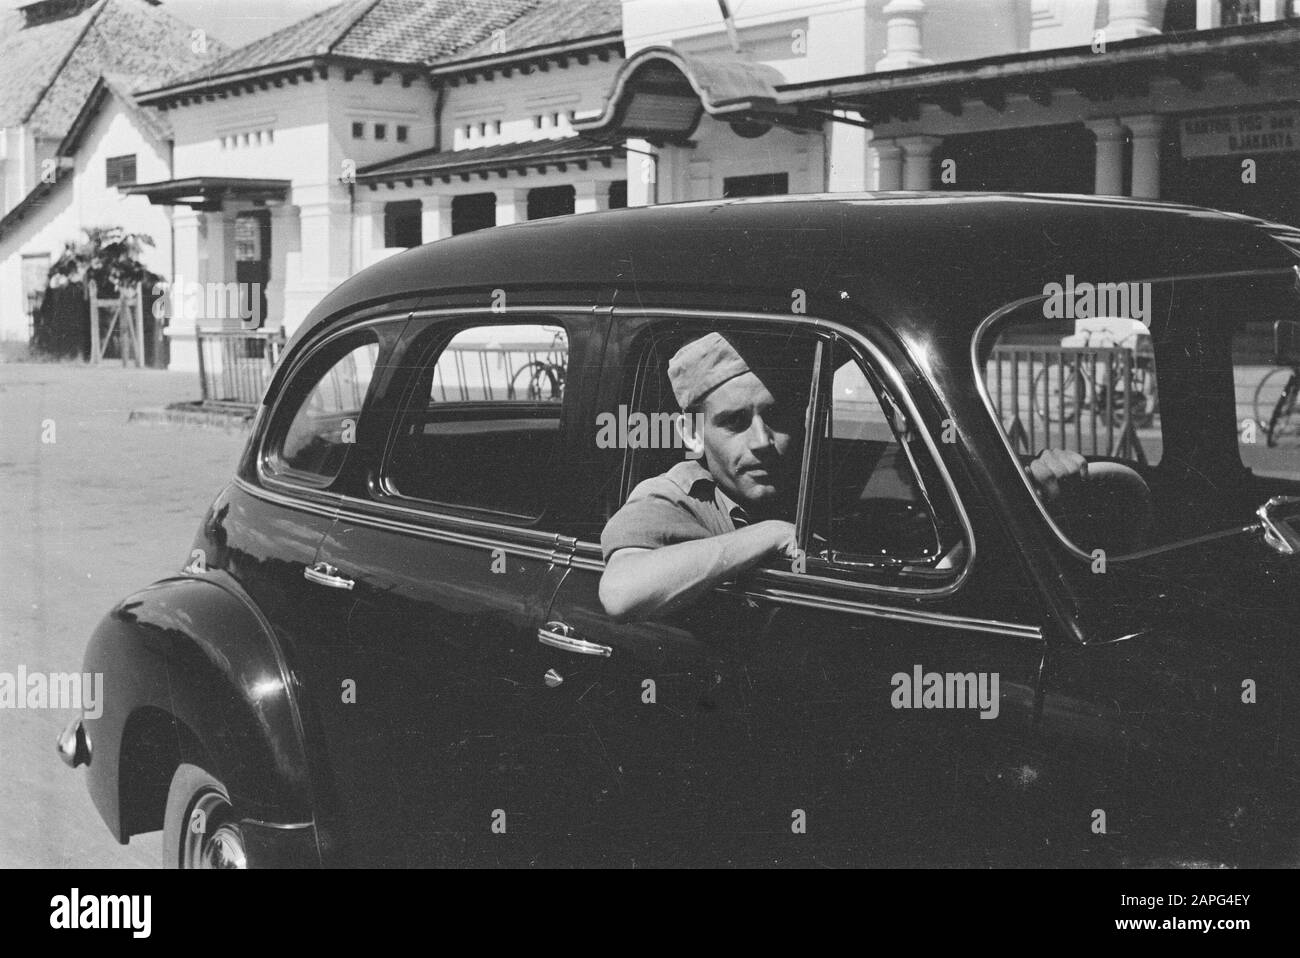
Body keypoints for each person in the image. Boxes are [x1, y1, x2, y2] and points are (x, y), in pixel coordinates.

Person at [598, 332, 1145, 623]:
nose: (762, 440)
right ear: (693, 435)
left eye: (779, 416)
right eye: (735, 423)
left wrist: (1036, 487)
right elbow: (621, 593)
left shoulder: (826, 474)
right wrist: (765, 537)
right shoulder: (675, 495)